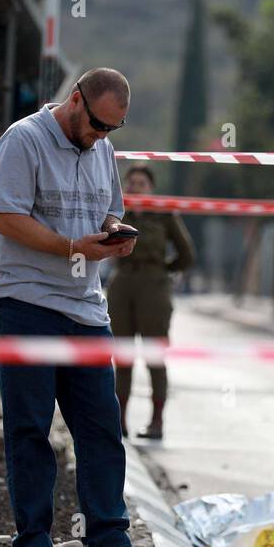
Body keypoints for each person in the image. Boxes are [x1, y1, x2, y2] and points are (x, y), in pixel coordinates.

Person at [0, 68, 166, 547]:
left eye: (114, 129)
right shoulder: (24, 140)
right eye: (97, 124)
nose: (101, 136)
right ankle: (34, 546)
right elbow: (2, 215)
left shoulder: (102, 149)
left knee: (102, 430)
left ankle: (108, 543)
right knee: (30, 430)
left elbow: (108, 213)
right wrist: (69, 247)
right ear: (75, 100)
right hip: (25, 304)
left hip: (85, 310)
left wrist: (116, 234)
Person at [110, 165, 196, 440]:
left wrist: (162, 270)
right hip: (122, 282)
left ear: (151, 188)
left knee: (154, 355)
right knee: (122, 356)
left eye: (142, 183)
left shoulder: (164, 213)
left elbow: (186, 253)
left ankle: (157, 421)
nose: (136, 187)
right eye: (131, 182)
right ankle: (119, 419)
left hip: (154, 285)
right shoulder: (115, 212)